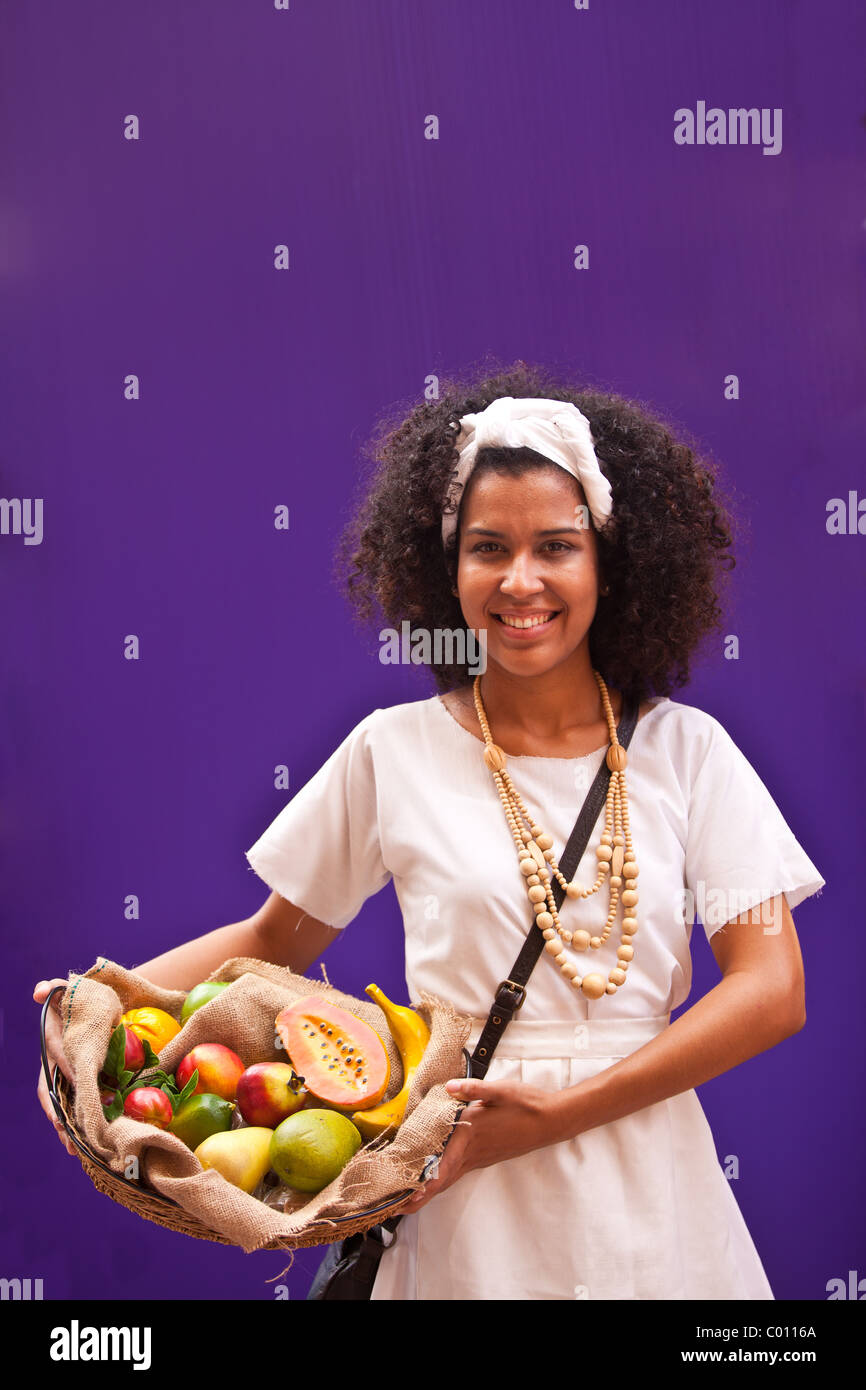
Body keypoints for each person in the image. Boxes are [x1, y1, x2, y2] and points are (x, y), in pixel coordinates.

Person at [36, 362, 824, 1300]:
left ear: (610, 564)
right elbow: (273, 937)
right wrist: (95, 1001)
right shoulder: (392, 750)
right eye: (489, 547)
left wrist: (558, 1114)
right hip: (457, 1177)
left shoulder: (688, 752)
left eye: (557, 546)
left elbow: (772, 988)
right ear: (446, 568)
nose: (521, 580)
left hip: (652, 1193)